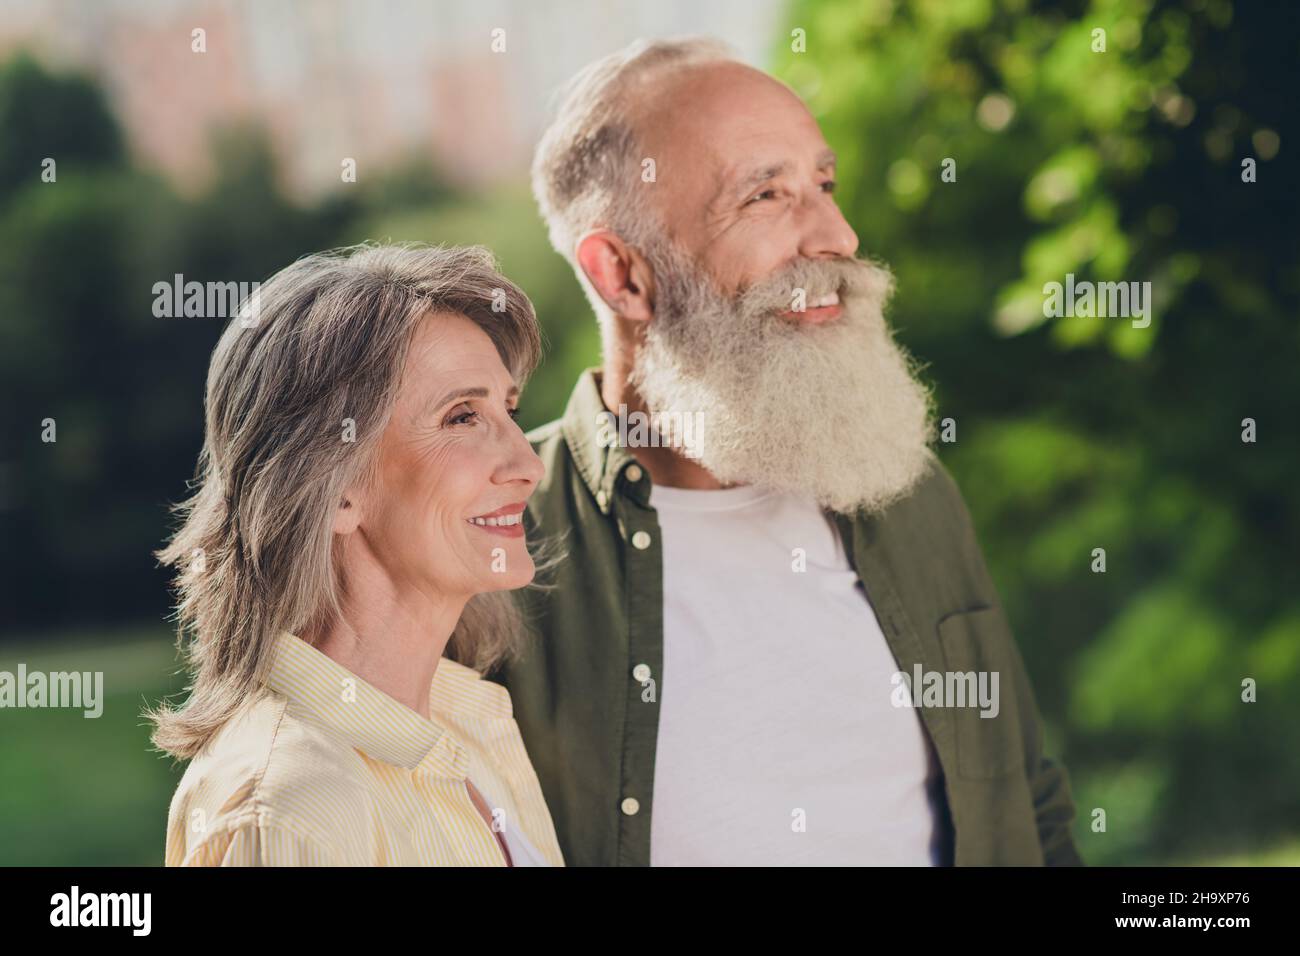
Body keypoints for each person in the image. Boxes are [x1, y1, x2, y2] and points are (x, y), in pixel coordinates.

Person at [500, 36, 1084, 866]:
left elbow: (1030, 802)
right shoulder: (489, 539)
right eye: (766, 195)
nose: (838, 236)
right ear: (622, 274)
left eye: (824, 184)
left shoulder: (904, 485)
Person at [151, 243, 563, 866]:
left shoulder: (473, 727)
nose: (529, 465)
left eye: (509, 410)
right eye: (461, 418)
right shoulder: (289, 806)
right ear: (337, 490)